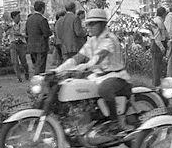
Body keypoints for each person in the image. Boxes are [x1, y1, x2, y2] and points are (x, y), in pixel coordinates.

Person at [55, 9, 133, 138]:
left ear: (102, 24)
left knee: (104, 89)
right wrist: (58, 70)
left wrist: (86, 66)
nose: (88, 27)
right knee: (76, 87)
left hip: (116, 76)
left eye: (92, 24)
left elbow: (100, 56)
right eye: (87, 24)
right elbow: (78, 57)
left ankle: (115, 124)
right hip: (98, 76)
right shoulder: (91, 40)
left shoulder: (109, 39)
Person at [25, 1, 51, 74]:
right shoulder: (42, 19)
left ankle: (36, 79)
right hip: (41, 46)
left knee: (36, 65)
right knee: (41, 68)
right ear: (42, 8)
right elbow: (46, 33)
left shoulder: (29, 19)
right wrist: (50, 32)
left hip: (31, 46)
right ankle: (38, 81)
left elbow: (27, 33)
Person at [4, 10, 29, 82]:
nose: (20, 17)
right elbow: (6, 35)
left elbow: (26, 34)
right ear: (13, 17)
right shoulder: (9, 25)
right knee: (15, 61)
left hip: (22, 44)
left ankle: (26, 72)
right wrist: (6, 30)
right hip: (13, 44)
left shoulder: (24, 24)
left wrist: (20, 34)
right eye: (18, 16)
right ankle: (18, 77)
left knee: (23, 61)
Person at [151, 7, 168, 87]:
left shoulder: (156, 20)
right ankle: (156, 84)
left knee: (157, 65)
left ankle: (156, 83)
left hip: (156, 44)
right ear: (163, 13)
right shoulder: (159, 21)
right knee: (157, 66)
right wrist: (162, 47)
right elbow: (157, 37)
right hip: (157, 45)